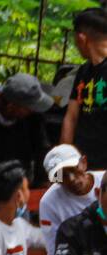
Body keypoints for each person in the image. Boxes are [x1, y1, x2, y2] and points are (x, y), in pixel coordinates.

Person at [39, 144, 102, 255]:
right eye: (62, 176)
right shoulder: (49, 202)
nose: (72, 179)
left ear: (83, 163)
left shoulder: (104, 181)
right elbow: (53, 252)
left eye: (73, 169)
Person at [0, 73, 52, 188]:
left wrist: (47, 182)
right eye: (29, 108)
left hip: (22, 179)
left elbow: (43, 151)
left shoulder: (34, 117)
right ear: (11, 106)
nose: (33, 111)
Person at [61, 7, 107, 171]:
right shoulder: (83, 72)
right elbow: (71, 117)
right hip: (82, 166)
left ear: (82, 38)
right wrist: (64, 162)